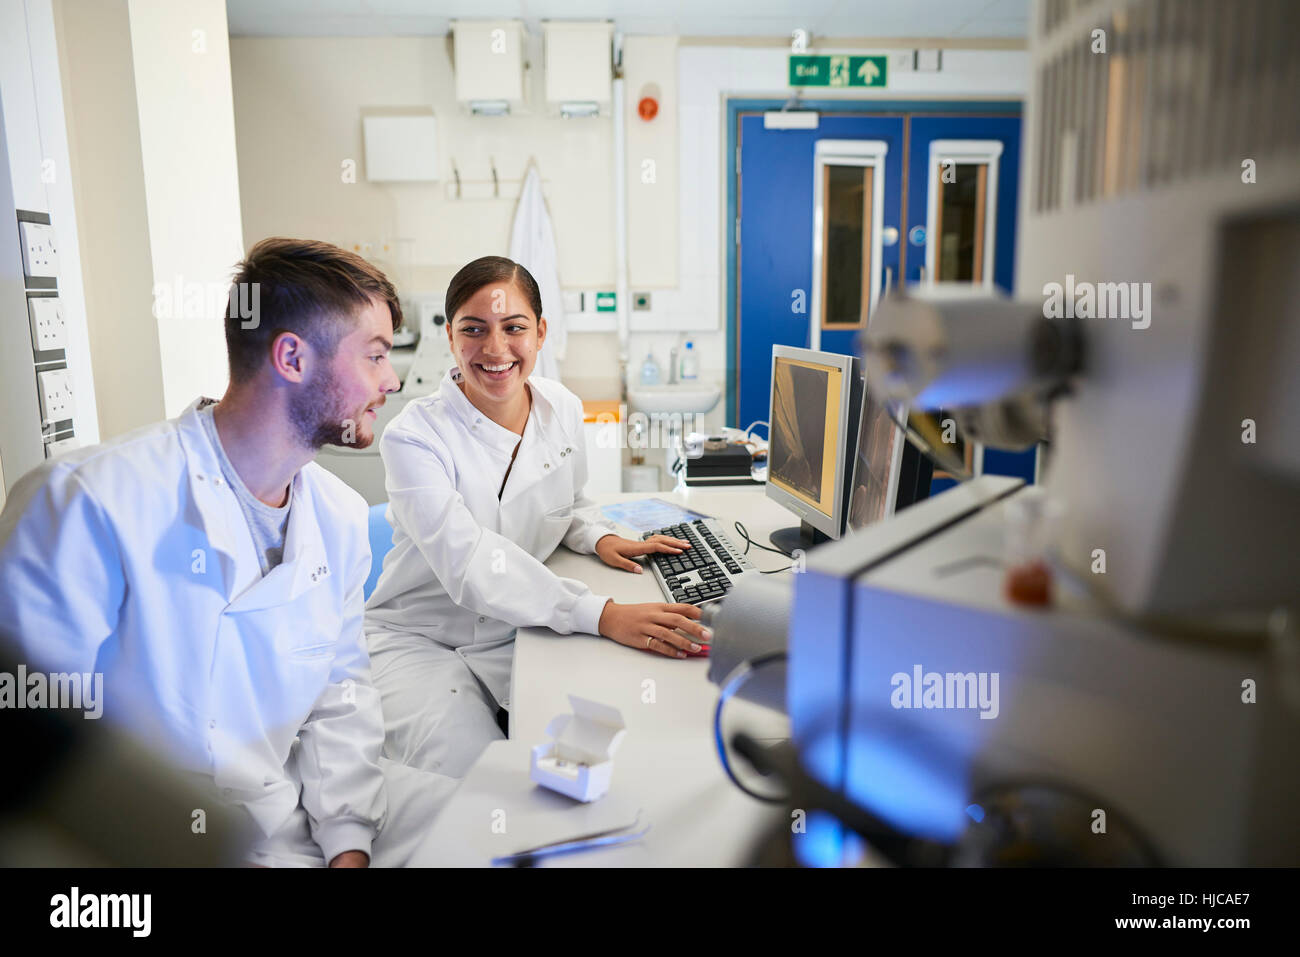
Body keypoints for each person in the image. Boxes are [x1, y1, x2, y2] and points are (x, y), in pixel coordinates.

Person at [0, 237, 454, 867]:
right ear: (292, 356)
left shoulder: (340, 517)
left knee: (509, 828)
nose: (392, 379)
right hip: (138, 843)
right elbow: (27, 747)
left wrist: (348, 843)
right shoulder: (87, 503)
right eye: (375, 356)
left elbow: (339, 694)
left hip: (284, 818)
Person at [365, 255, 711, 778]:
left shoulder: (561, 409)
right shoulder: (415, 437)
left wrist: (596, 537)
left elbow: (565, 503)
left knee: (614, 739)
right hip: (422, 641)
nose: (496, 348)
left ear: (541, 332)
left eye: (514, 328)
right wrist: (602, 614)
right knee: (479, 780)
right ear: (452, 337)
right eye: (474, 329)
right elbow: (471, 561)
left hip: (515, 631)